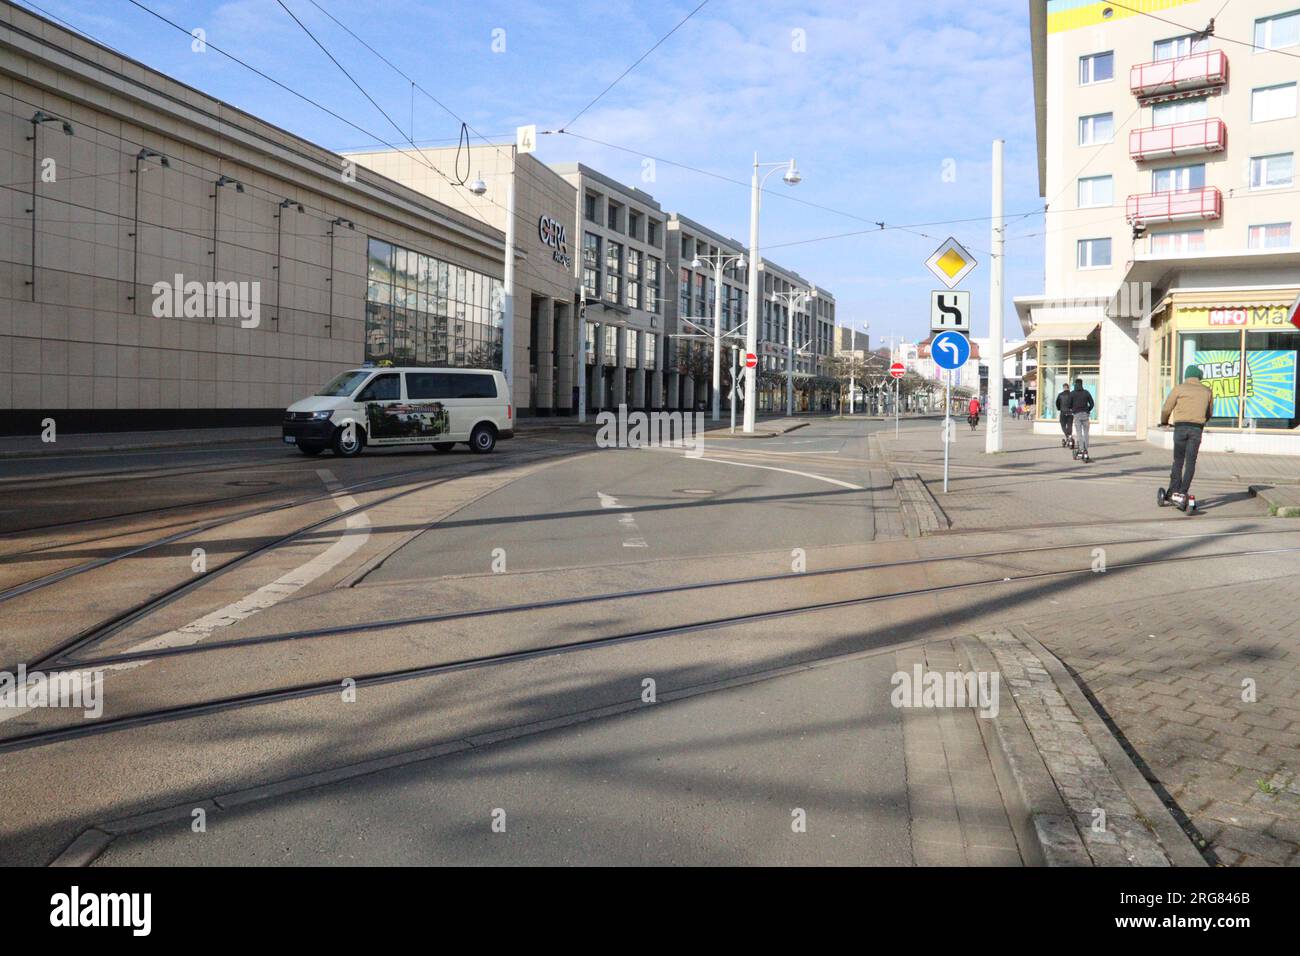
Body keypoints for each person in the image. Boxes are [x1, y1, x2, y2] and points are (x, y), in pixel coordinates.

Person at [1160, 364, 1215, 505]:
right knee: (1190, 462)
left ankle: (1173, 491)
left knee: (1178, 461)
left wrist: (1164, 422)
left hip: (1180, 428)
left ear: (1186, 375)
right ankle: (1183, 492)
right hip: (1196, 430)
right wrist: (1201, 422)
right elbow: (1209, 413)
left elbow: (1166, 408)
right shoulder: (1207, 391)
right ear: (1199, 377)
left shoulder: (1179, 389)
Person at [1068, 378, 1095, 459]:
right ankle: (1086, 450)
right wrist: (1087, 410)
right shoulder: (1086, 392)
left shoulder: (1072, 393)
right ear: (1082, 384)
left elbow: (1069, 405)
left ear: (1075, 384)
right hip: (1085, 415)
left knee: (1079, 433)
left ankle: (1081, 449)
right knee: (1086, 433)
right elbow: (1092, 404)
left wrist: (1073, 409)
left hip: (1077, 415)